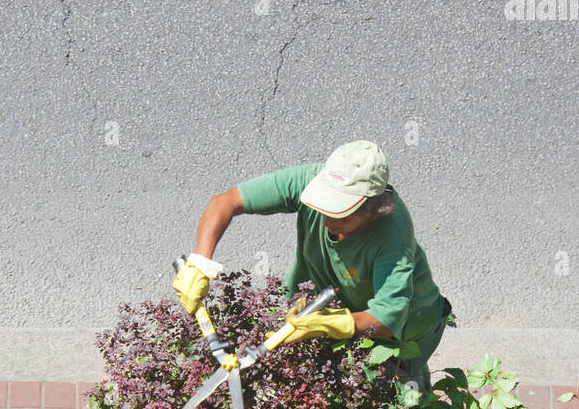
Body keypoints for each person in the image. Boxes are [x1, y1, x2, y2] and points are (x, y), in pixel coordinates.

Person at [171, 139, 452, 393]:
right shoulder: (310, 179)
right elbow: (225, 202)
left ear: (372, 209)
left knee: (402, 400)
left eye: (339, 213)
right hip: (326, 308)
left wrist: (333, 323)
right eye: (322, 204)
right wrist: (199, 263)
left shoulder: (393, 235)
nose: (324, 217)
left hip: (406, 328)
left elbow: (386, 319)